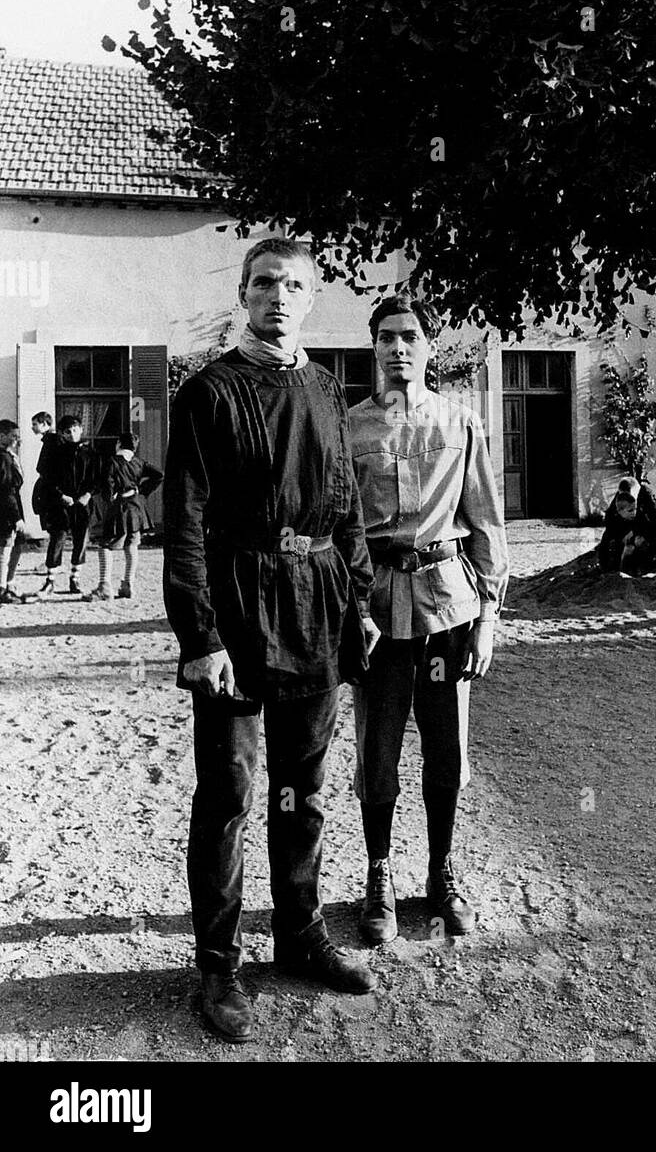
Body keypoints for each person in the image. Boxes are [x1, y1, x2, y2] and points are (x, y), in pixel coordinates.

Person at [163, 239, 377, 1045]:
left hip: (316, 607)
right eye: (263, 285)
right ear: (243, 295)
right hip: (239, 609)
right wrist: (200, 634)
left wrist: (356, 600)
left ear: (311, 298)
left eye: (293, 286)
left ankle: (300, 935)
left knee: (304, 789)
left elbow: (345, 504)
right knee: (228, 794)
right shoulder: (208, 393)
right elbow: (181, 524)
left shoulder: (326, 387)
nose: (278, 298)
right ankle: (218, 965)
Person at [348, 293, 509, 946]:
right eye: (386, 338)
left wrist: (490, 616)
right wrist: (351, 608)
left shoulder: (459, 422)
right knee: (377, 752)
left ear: (429, 347)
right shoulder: (350, 427)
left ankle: (442, 872)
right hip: (379, 610)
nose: (398, 348)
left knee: (447, 752)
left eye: (410, 336)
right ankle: (379, 874)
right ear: (375, 348)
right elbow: (338, 529)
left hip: (447, 602)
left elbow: (486, 523)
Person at [87, 433, 163, 600]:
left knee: (106, 545)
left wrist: (110, 497)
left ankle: (104, 586)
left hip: (119, 508)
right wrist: (142, 491)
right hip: (136, 508)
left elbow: (107, 482)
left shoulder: (112, 461)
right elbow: (159, 474)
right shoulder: (139, 462)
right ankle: (128, 584)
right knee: (131, 545)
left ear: (119, 444)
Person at [38, 414, 98, 596]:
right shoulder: (55, 453)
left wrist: (88, 494)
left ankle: (75, 579)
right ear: (62, 434)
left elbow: (97, 478)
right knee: (57, 539)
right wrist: (61, 495)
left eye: (74, 430)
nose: (72, 434)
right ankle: (50, 580)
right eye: (67, 432)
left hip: (83, 503)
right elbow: (46, 477)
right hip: (61, 503)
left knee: (81, 540)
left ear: (81, 430)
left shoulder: (90, 453)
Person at [597, 475, 656, 575]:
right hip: (624, 527)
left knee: (646, 544)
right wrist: (621, 536)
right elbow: (609, 519)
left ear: (636, 492)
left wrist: (643, 535)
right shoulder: (620, 496)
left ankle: (653, 563)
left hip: (643, 527)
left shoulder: (645, 495)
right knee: (607, 538)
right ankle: (605, 567)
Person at [0, 420, 37, 604]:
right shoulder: (3, 459)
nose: (17, 440)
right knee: (5, 546)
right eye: (13, 436)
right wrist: (16, 517)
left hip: (11, 504)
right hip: (6, 508)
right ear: (2, 436)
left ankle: (9, 583)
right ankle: (2, 589)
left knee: (15, 545)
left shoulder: (9, 456)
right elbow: (7, 489)